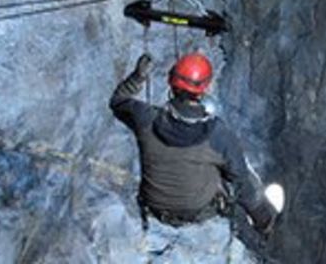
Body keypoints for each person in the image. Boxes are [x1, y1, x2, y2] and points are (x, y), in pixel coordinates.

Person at [110, 52, 277, 237]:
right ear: (205, 88)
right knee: (238, 168)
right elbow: (242, 183)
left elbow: (118, 102)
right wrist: (264, 220)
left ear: (171, 82)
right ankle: (263, 219)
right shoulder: (217, 133)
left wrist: (137, 77)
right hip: (198, 213)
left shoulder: (145, 117)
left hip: (154, 207)